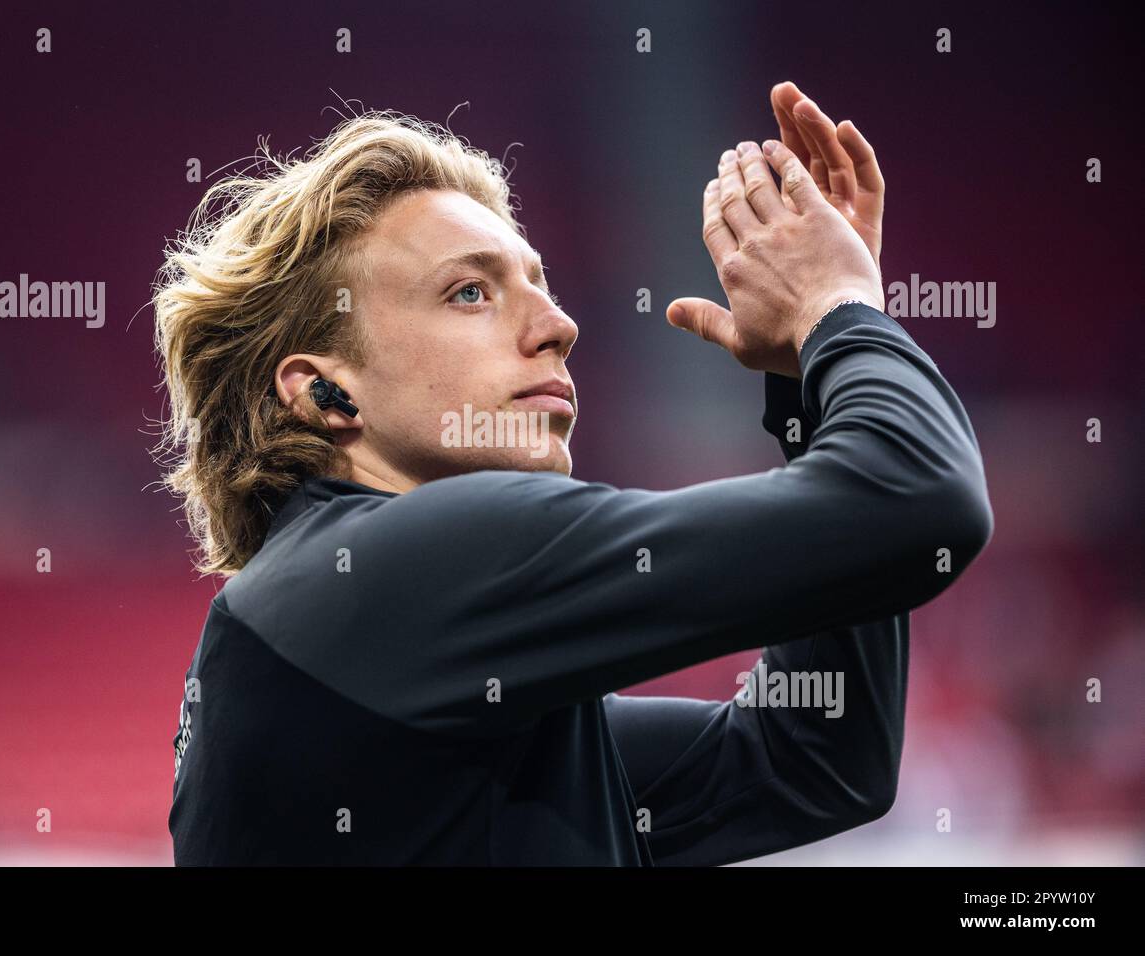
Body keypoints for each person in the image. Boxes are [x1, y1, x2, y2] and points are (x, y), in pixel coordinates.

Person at [156, 83, 993, 865]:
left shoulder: (363, 625)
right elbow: (920, 501)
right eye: (471, 293)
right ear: (327, 393)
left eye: (541, 285)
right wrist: (839, 315)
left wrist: (807, 387)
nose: (559, 326)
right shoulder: (395, 567)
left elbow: (812, 758)